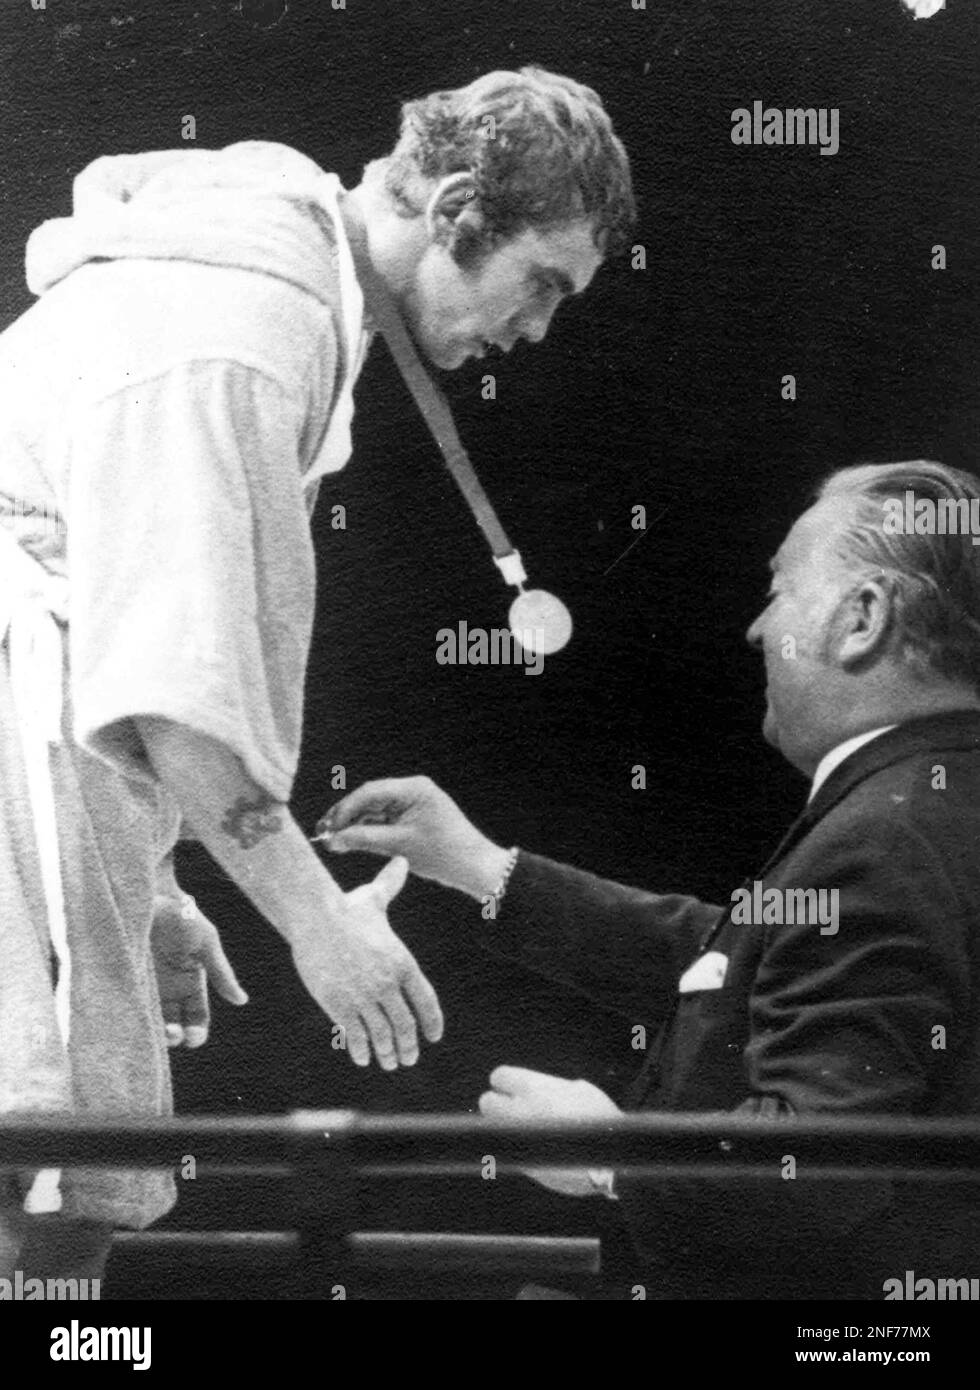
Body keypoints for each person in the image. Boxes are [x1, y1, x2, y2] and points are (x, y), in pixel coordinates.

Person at [0, 68, 636, 1281]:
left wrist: (147, 893)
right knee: (55, 1174)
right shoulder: (249, 327)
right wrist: (316, 925)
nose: (538, 327)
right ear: (454, 209)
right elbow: (162, 686)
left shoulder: (276, 293)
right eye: (542, 282)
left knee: (64, 1162)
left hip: (34, 746)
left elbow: (125, 623)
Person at [318, 459, 980, 1299]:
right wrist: (478, 866)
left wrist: (611, 1154)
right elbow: (732, 964)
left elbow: (815, 1164)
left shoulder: (888, 836)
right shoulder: (930, 800)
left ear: (862, 617)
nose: (754, 627)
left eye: (780, 590)